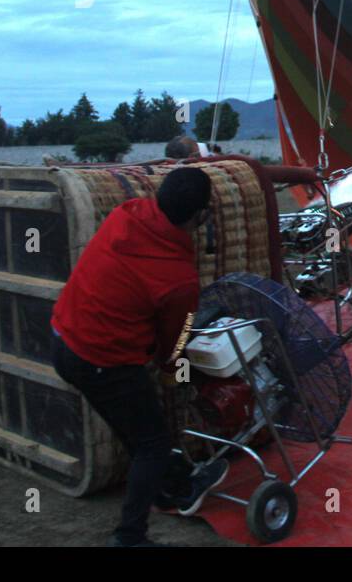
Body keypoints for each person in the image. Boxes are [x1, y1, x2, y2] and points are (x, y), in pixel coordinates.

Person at [50, 167, 228, 546]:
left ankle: (171, 487)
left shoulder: (125, 213)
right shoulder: (179, 279)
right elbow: (174, 342)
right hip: (101, 361)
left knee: (138, 429)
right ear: (199, 216)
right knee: (152, 444)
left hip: (62, 338)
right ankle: (129, 535)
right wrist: (174, 372)